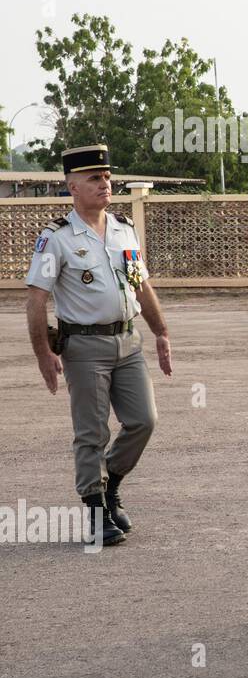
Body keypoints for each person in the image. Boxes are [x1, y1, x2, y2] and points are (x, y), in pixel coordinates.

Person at [25, 143, 170, 545]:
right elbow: (36, 298)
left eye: (107, 177)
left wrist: (161, 332)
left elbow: (141, 283)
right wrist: (43, 354)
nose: (105, 183)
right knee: (91, 433)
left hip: (128, 340)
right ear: (72, 186)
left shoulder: (124, 228)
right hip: (84, 347)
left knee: (144, 421)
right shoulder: (57, 238)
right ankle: (94, 512)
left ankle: (110, 485)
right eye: (94, 178)